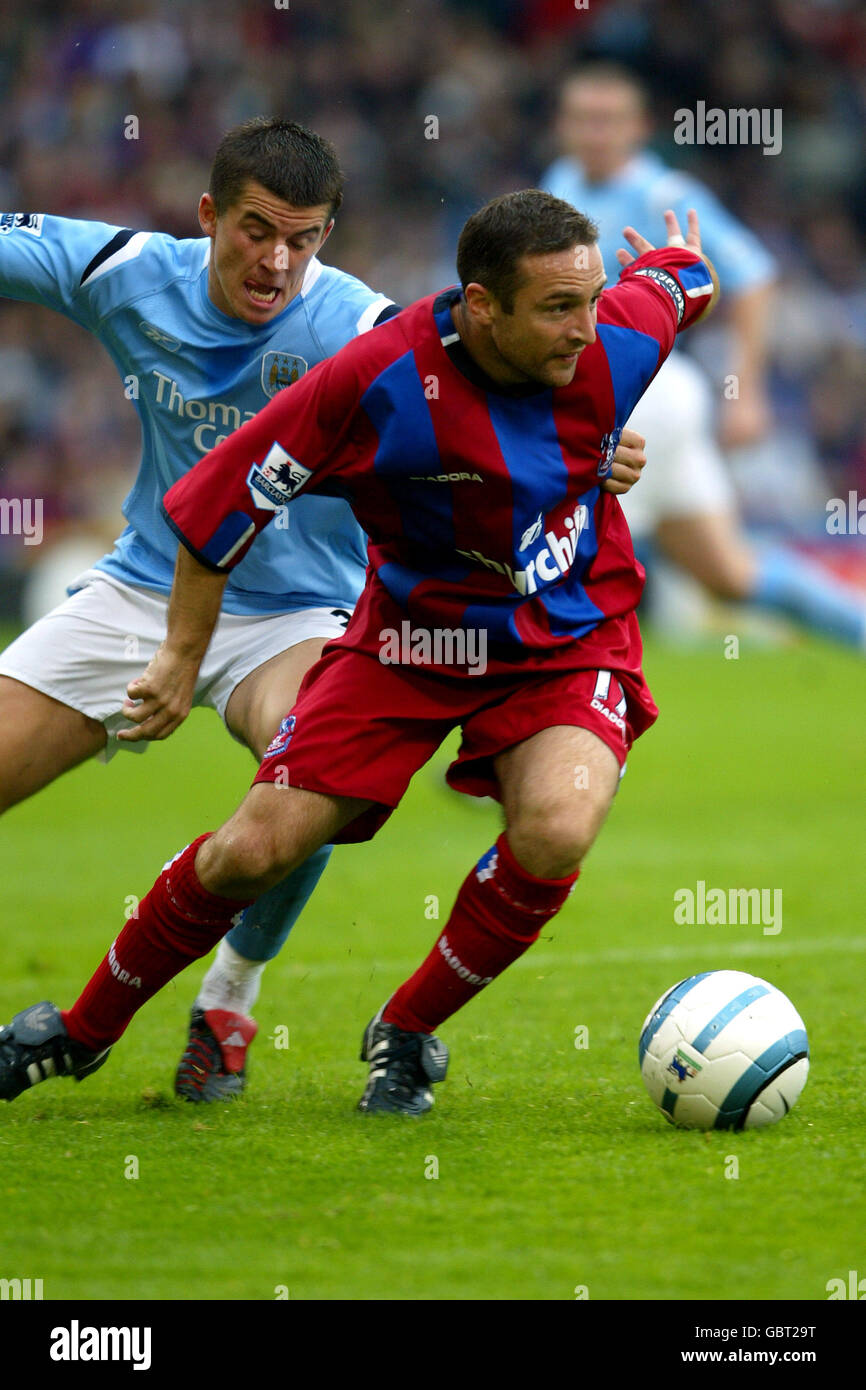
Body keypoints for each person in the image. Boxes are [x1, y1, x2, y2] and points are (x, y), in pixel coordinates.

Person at [0, 192, 717, 1117]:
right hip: (407, 645)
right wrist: (180, 656)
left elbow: (677, 285)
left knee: (558, 827)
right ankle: (82, 1031)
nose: (585, 328)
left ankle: (407, 1031)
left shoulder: (617, 334)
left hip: (568, 642)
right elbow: (225, 503)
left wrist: (679, 263)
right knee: (253, 851)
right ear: (483, 304)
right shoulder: (375, 381)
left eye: (592, 300)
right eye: (558, 308)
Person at [0, 118, 399, 1100]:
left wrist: (591, 447)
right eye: (256, 231)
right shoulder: (126, 271)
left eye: (303, 240)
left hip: (301, 609)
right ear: (208, 213)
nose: (276, 262)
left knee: (311, 769)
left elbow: (484, 384)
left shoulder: (356, 328)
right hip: (147, 585)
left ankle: (228, 998)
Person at [542, 64, 866, 649]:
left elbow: (754, 276)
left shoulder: (664, 195)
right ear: (562, 126)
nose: (595, 133)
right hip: (614, 399)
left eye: (608, 120)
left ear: (638, 127)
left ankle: (565, 702)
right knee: (729, 574)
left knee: (566, 552)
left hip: (647, 400)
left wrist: (748, 390)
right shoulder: (560, 183)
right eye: (583, 119)